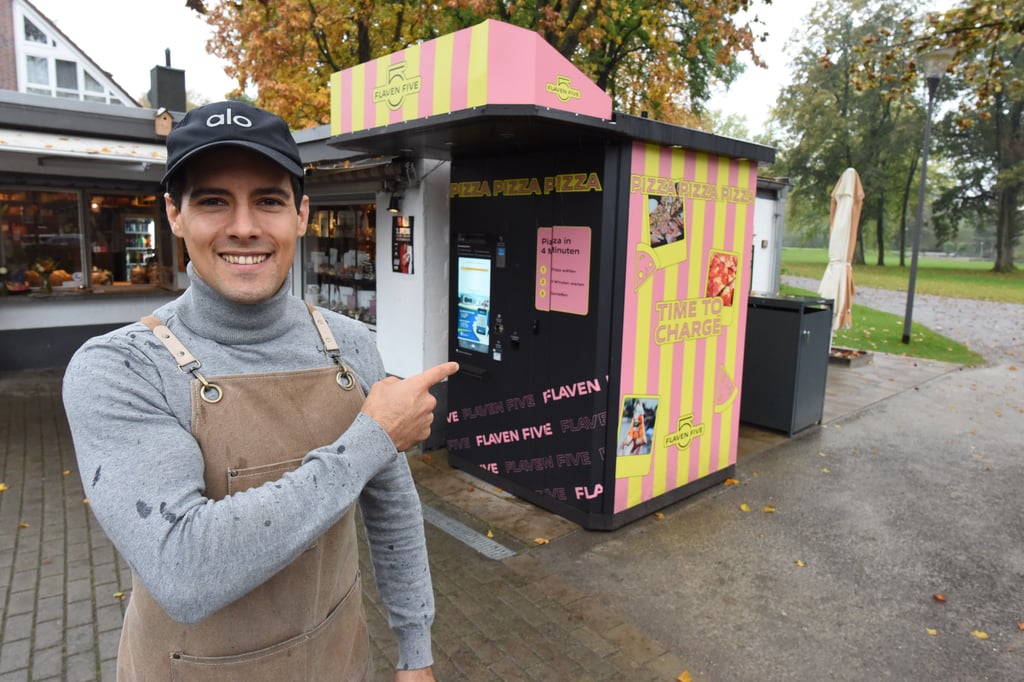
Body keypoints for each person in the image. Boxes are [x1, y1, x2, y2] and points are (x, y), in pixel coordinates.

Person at [62, 101, 457, 681]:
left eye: (268, 200)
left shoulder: (350, 343)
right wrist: (372, 438)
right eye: (214, 200)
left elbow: (392, 507)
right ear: (174, 214)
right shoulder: (121, 368)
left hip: (337, 660)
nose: (244, 226)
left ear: (300, 214)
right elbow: (184, 571)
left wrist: (415, 649)